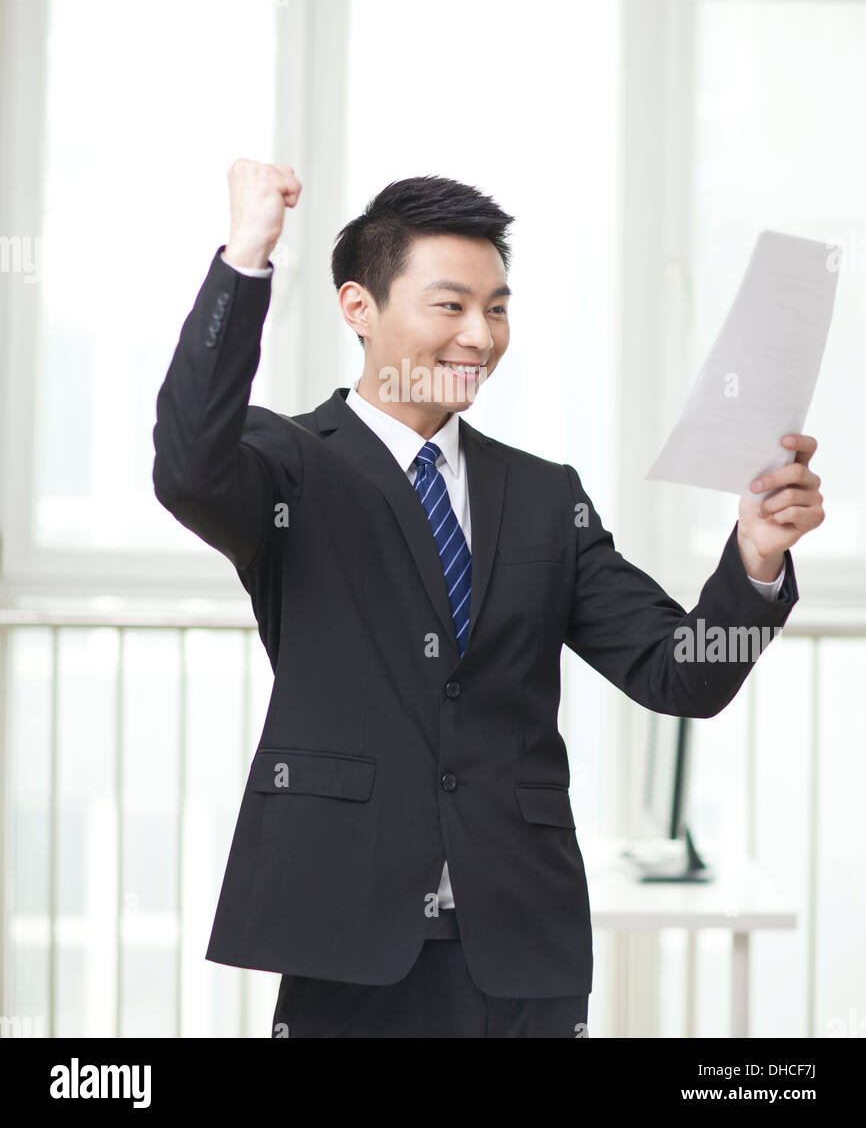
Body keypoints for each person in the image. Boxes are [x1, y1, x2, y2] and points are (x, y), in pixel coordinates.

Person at [152, 160, 824, 1038]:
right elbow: (187, 464)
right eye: (451, 304)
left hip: (521, 948)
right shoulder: (291, 465)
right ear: (360, 308)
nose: (480, 334)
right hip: (348, 939)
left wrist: (757, 562)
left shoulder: (545, 496)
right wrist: (246, 258)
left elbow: (683, 677)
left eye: (498, 308)